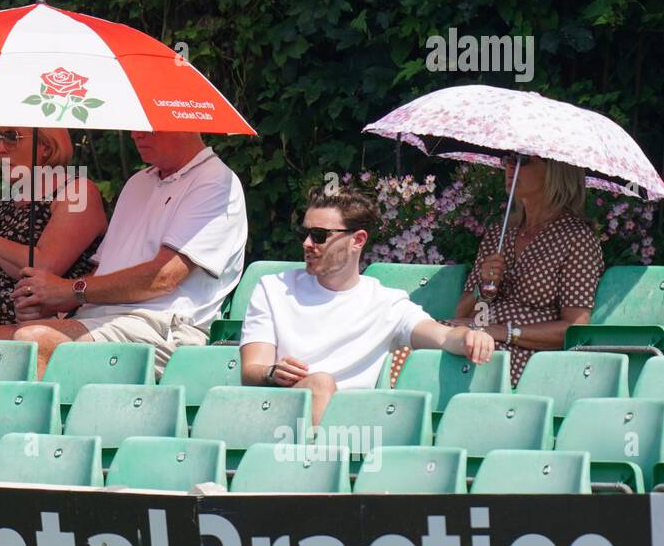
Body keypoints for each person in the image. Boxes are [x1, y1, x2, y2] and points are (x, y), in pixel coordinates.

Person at [0, 130, 247, 375]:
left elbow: (164, 277)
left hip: (164, 330)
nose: (136, 134)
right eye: (135, 127)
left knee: (33, 340)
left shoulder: (216, 182)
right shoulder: (138, 183)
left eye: (148, 128)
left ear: (186, 123)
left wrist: (69, 290)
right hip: (102, 321)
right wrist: (50, 301)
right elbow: (103, 271)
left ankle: (49, 419)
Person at [239, 187, 496, 424]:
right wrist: (272, 373)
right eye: (304, 233)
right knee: (320, 384)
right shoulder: (273, 288)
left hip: (356, 422)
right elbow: (251, 371)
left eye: (319, 236)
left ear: (358, 240)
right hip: (280, 413)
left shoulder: (386, 302)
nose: (307, 243)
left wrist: (470, 338)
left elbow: (442, 335)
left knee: (322, 385)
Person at [446, 154, 604, 387]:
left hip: (525, 355)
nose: (510, 166)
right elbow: (465, 312)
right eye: (507, 159)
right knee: (415, 341)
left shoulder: (577, 238)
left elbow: (573, 329)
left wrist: (505, 332)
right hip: (479, 336)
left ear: (556, 172)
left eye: (524, 161)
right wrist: (485, 288)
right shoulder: (501, 233)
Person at [0, 127, 107, 340]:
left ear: (46, 145)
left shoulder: (77, 192)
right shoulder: (5, 203)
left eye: (11, 137)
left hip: (17, 340)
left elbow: (42, 268)